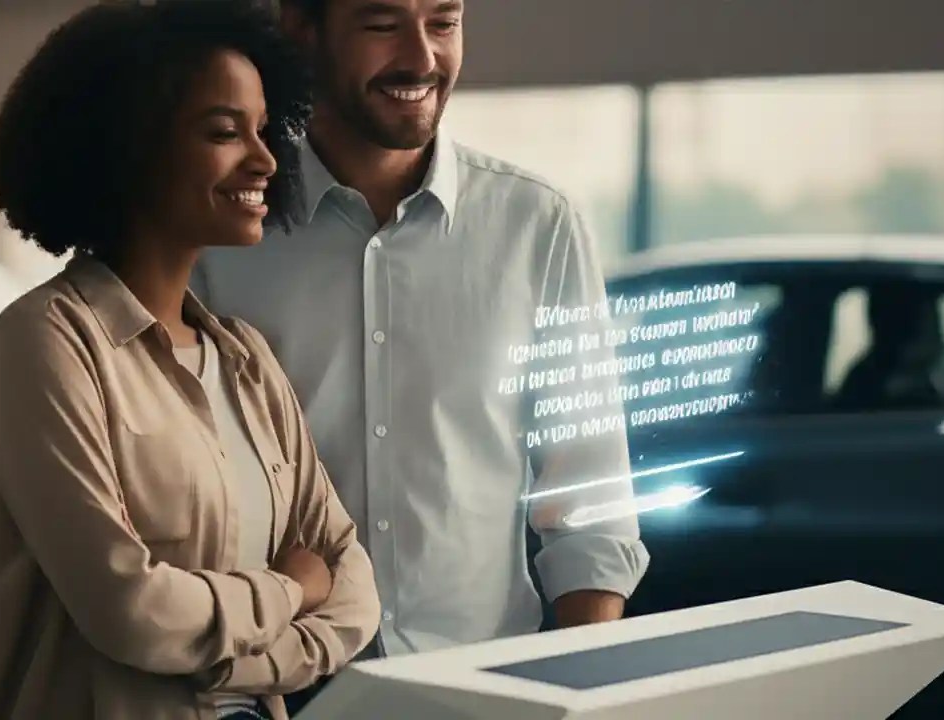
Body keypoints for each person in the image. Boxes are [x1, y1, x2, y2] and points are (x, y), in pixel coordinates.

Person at [193, 0, 651, 705]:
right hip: (279, 691)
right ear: (301, 27)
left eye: (444, 21)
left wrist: (575, 692)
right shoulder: (220, 229)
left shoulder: (538, 226)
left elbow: (588, 506)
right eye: (383, 25)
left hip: (488, 689)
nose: (422, 58)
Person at [0, 2, 380, 719]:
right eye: (224, 132)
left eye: (262, 128)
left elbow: (351, 589)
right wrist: (286, 592)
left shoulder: (245, 359)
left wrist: (232, 665)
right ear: (128, 147)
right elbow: (129, 608)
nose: (267, 159)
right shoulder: (44, 343)